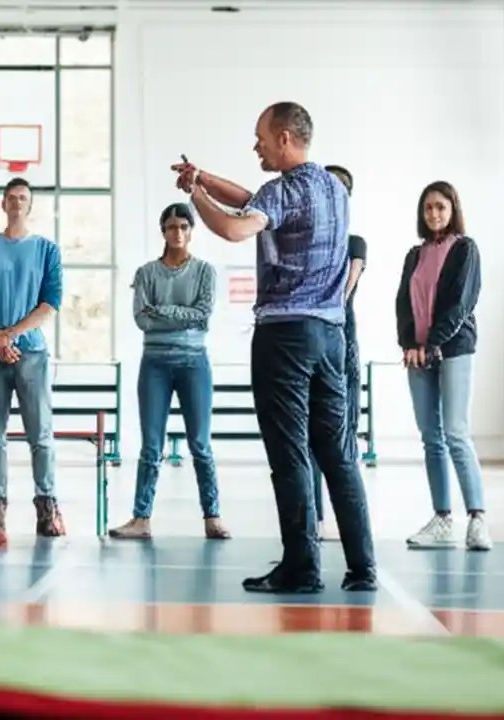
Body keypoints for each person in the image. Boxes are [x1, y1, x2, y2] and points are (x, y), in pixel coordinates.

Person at [171, 101, 376, 593]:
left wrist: (195, 195)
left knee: (289, 454)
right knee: (337, 453)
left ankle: (301, 568)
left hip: (285, 337)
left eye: (261, 137)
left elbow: (235, 226)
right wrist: (205, 176)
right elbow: (254, 201)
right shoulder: (332, 188)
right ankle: (362, 567)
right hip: (331, 336)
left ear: (284, 137)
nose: (256, 145)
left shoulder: (283, 191)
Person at [110, 203, 229, 540]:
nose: (177, 233)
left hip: (194, 363)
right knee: (151, 445)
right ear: (162, 231)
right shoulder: (146, 273)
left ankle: (213, 516)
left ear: (191, 231)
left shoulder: (205, 271)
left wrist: (162, 310)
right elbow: (141, 319)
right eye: (171, 227)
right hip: (155, 364)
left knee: (200, 444)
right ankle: (141, 518)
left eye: (183, 227)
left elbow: (203, 313)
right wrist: (181, 314)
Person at [0, 177, 66, 538]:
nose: (17, 202)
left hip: (31, 352)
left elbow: (49, 303)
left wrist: (12, 335)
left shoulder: (47, 251)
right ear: (3, 204)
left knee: (41, 433)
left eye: (23, 197)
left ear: (30, 205)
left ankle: (47, 509)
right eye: (11, 197)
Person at [396, 181, 491, 551]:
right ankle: (442, 518)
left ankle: (478, 518)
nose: (434, 213)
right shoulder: (414, 255)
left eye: (440, 206)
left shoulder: (465, 249)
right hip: (418, 354)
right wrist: (409, 344)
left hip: (453, 350)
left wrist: (433, 343)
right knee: (430, 438)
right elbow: (403, 303)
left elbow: (459, 303)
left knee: (455, 433)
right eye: (428, 208)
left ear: (453, 209)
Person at [310, 165, 368, 538]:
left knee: (341, 436)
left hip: (340, 344)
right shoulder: (306, 239)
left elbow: (342, 291)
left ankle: (349, 524)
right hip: (308, 343)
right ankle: (313, 518)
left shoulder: (354, 243)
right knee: (307, 438)